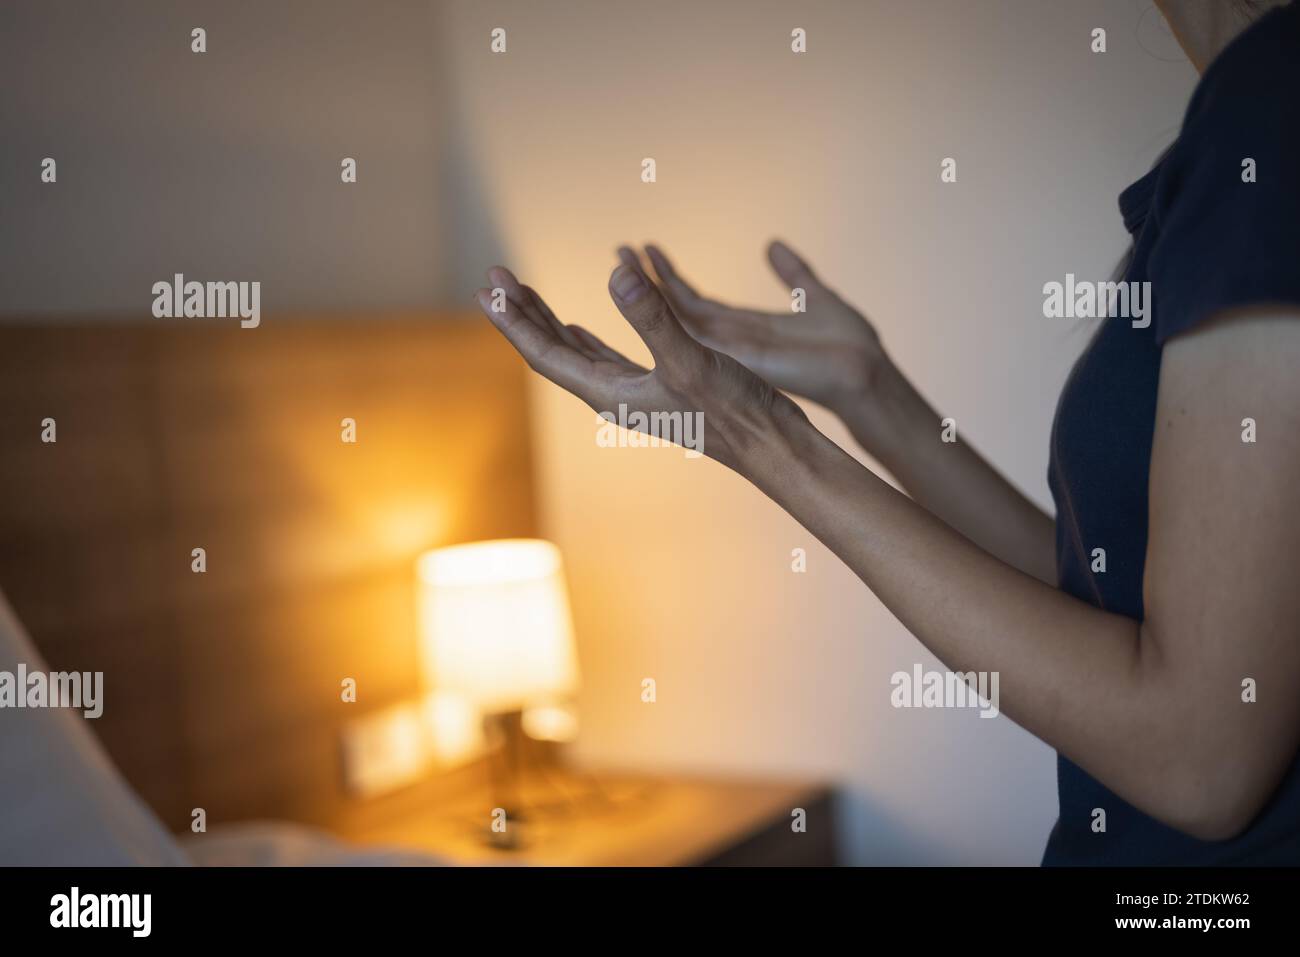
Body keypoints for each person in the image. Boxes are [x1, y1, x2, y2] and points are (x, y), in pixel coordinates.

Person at [476, 0, 1300, 864]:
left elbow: (1201, 758)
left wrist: (764, 438)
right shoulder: (1250, 111)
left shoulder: (1271, 94)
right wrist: (866, 390)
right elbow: (1099, 603)